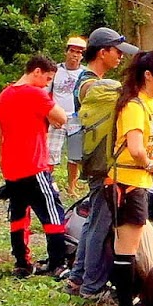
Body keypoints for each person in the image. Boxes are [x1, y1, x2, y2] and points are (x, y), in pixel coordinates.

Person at [64, 26, 138, 301]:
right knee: (100, 224)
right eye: (117, 52)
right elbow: (103, 93)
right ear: (103, 52)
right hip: (102, 163)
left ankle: (78, 278)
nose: (120, 57)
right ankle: (91, 286)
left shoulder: (93, 80)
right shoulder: (89, 83)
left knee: (93, 221)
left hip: (96, 161)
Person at [111, 50, 153, 306]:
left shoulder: (147, 104)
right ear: (148, 75)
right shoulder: (135, 106)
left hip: (136, 182)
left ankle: (129, 301)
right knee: (126, 246)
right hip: (128, 182)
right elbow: (136, 148)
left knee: (129, 244)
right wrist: (149, 163)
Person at [0, 54, 69, 278]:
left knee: (19, 214)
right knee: (53, 212)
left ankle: (21, 263)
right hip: (34, 165)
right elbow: (62, 117)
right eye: (47, 78)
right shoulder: (35, 93)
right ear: (36, 72)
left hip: (11, 167)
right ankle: (58, 262)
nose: (47, 84)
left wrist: (3, 158)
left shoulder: (4, 95)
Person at [49, 36, 86, 193]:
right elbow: (46, 93)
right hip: (57, 117)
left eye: (79, 52)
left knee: (75, 155)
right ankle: (48, 182)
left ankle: (71, 186)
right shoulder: (56, 71)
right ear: (66, 52)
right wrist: (49, 115)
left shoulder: (85, 73)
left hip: (76, 118)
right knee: (51, 152)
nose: (75, 55)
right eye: (72, 51)